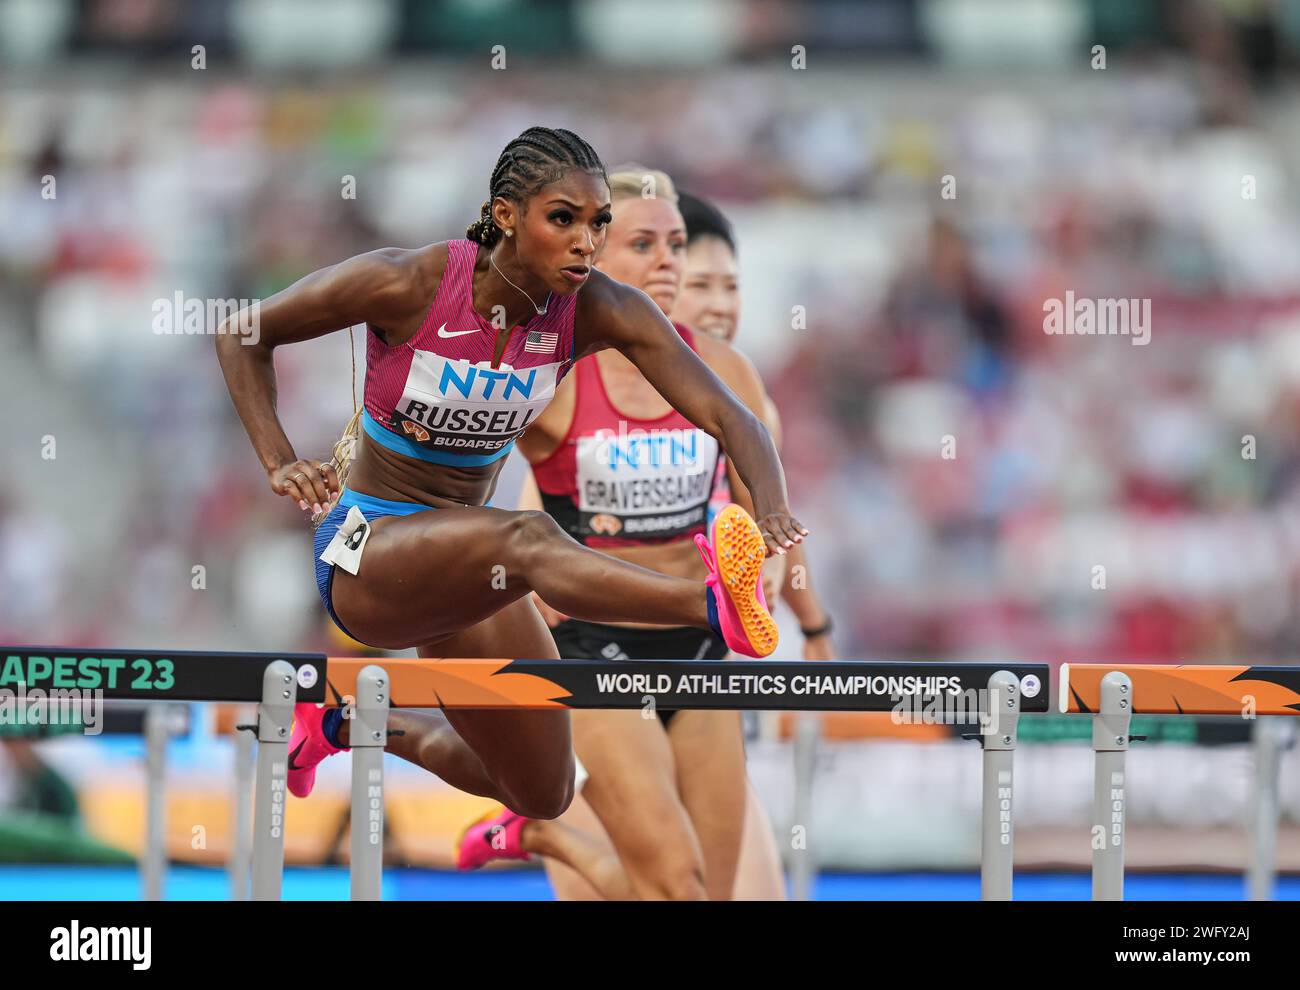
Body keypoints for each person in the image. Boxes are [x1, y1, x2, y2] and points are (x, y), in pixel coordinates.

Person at [214, 127, 804, 825]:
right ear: (505, 216)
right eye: (564, 219)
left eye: (598, 224)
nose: (587, 242)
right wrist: (280, 459)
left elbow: (736, 419)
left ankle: (337, 726)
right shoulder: (407, 283)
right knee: (528, 537)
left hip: (467, 573)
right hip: (368, 551)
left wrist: (771, 511)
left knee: (543, 791)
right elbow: (242, 332)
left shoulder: (598, 308)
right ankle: (709, 607)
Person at [454, 168, 801, 901]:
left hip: (705, 644)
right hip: (595, 651)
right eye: (644, 244)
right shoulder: (556, 371)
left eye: (676, 243)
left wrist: (769, 565)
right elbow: (460, 471)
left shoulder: (726, 369)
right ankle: (547, 833)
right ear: (595, 256)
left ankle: (546, 838)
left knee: (701, 892)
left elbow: (759, 508)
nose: (670, 261)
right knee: (674, 882)